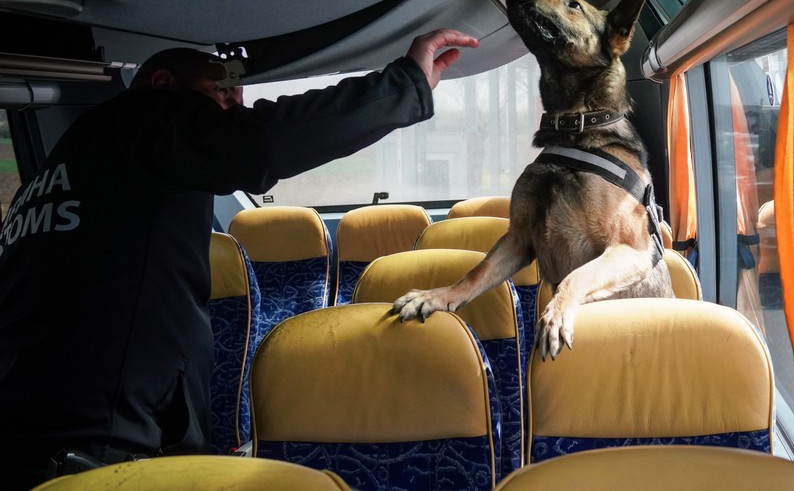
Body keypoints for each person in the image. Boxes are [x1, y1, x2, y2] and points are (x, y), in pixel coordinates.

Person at [0, 29, 479, 489]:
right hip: (104, 448)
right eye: (223, 90)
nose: (233, 108)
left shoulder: (64, 165)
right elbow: (263, 141)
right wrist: (405, 86)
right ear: (164, 85)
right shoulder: (143, 118)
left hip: (38, 439)